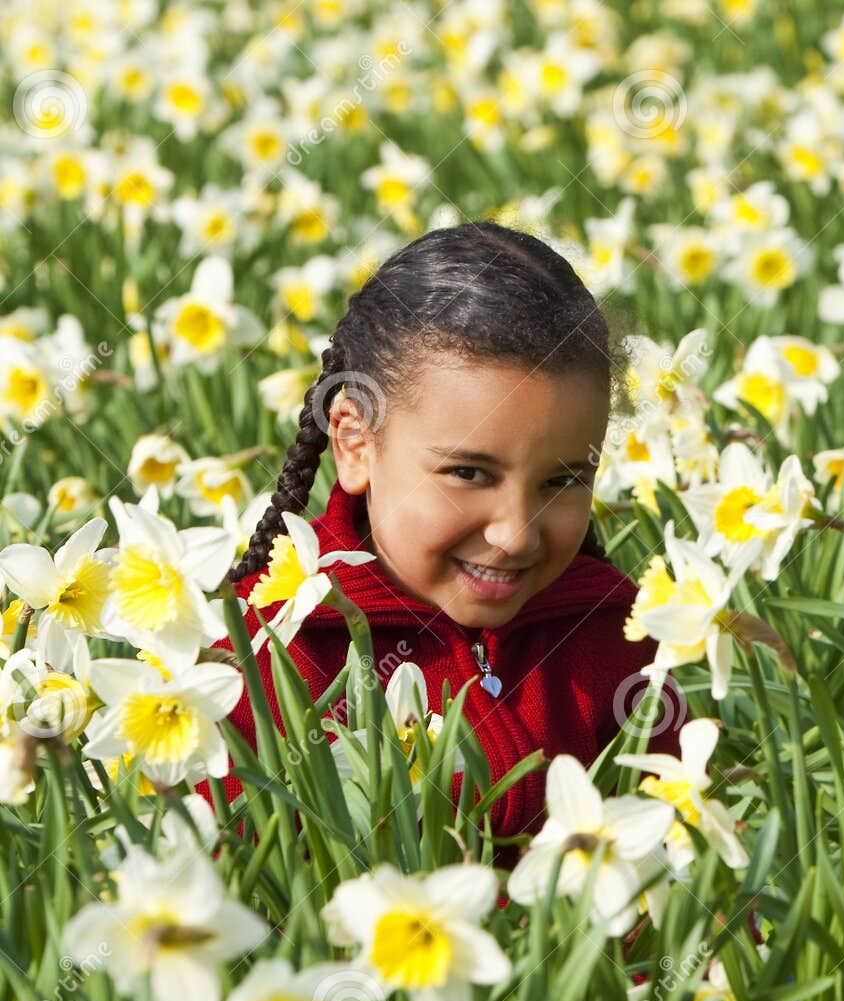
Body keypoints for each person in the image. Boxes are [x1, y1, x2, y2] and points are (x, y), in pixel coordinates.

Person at [199, 221, 681, 861]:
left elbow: (676, 875)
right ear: (354, 442)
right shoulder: (260, 658)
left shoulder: (615, 637)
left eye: (563, 480)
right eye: (469, 474)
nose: (515, 534)